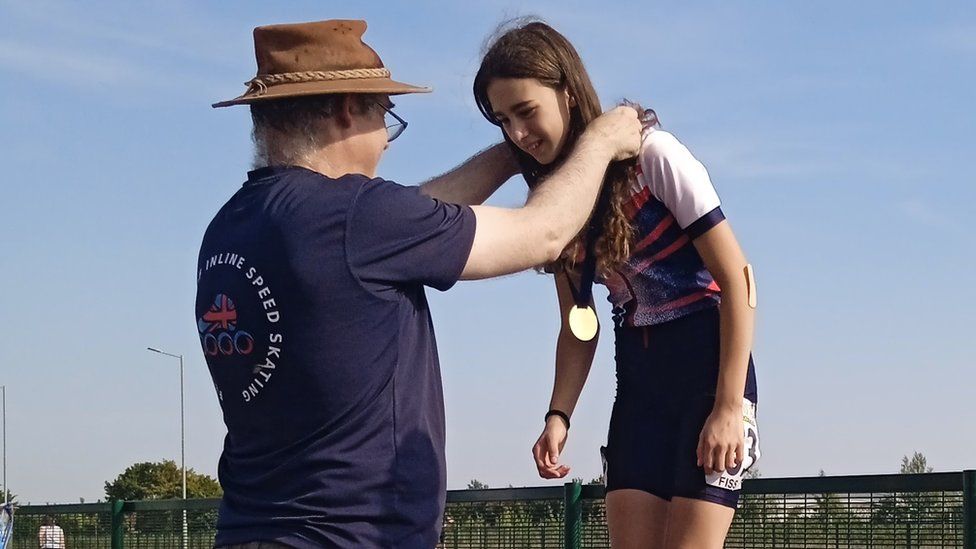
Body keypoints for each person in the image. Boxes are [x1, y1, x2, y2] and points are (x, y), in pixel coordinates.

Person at [199, 19, 641, 548]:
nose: (387, 141)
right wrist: (600, 138)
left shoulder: (231, 229)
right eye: (387, 117)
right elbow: (544, 233)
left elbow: (418, 212)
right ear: (347, 109)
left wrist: (515, 149)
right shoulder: (357, 219)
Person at [474, 20, 761, 548]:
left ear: (566, 91)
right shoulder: (556, 205)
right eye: (502, 121)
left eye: (525, 111)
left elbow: (737, 280)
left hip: (708, 370)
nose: (516, 134)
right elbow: (579, 325)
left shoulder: (653, 156)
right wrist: (558, 414)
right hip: (640, 382)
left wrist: (728, 406)